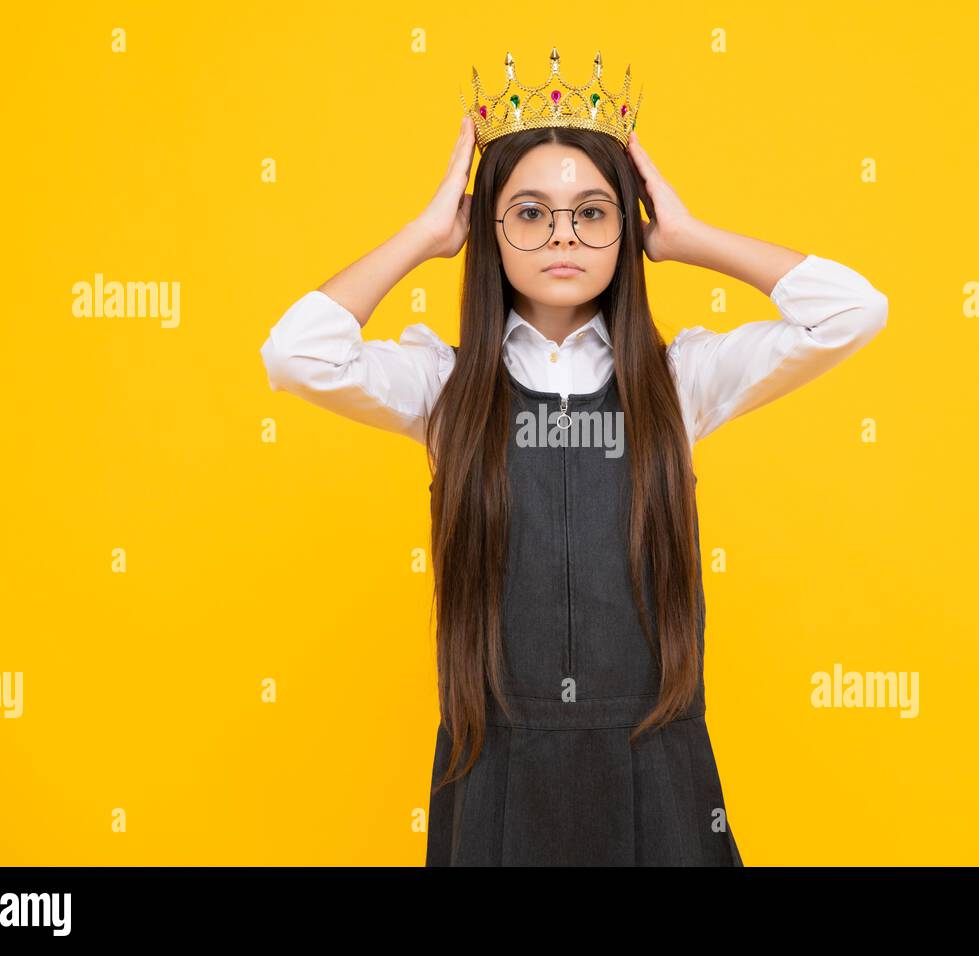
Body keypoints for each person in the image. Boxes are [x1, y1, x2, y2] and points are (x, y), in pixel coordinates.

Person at [260, 50, 888, 865]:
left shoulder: (677, 380)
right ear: (488, 230)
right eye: (529, 213)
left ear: (629, 227)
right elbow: (295, 355)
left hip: (653, 763)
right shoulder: (446, 387)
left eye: (592, 212)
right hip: (498, 766)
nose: (563, 235)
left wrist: (692, 239)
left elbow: (851, 312)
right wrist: (423, 236)